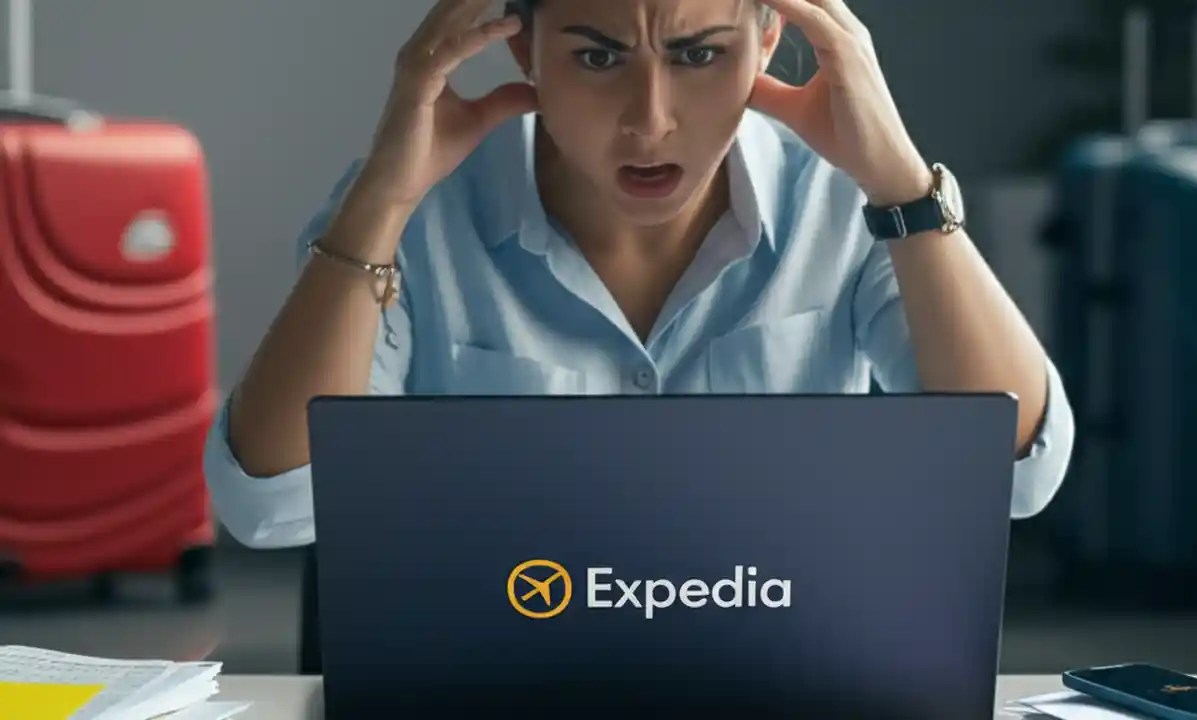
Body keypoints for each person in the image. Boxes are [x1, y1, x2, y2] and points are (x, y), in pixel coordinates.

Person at [204, 0, 1075, 550]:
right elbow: (273, 506)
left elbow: (1018, 477)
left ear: (769, 39)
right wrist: (381, 203)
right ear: (523, 51)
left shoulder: (848, 205)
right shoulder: (412, 216)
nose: (650, 120)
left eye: (699, 55)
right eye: (596, 57)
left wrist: (902, 188)